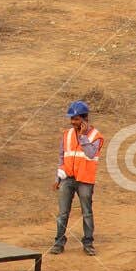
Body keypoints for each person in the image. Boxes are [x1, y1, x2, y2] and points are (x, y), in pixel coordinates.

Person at [51, 100, 104, 256]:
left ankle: (88, 243)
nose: (73, 122)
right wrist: (58, 178)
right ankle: (59, 243)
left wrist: (82, 137)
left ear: (84, 118)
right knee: (62, 213)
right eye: (72, 119)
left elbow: (90, 154)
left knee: (86, 212)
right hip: (67, 178)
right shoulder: (66, 135)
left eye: (76, 119)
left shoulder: (96, 136)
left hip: (85, 180)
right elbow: (62, 157)